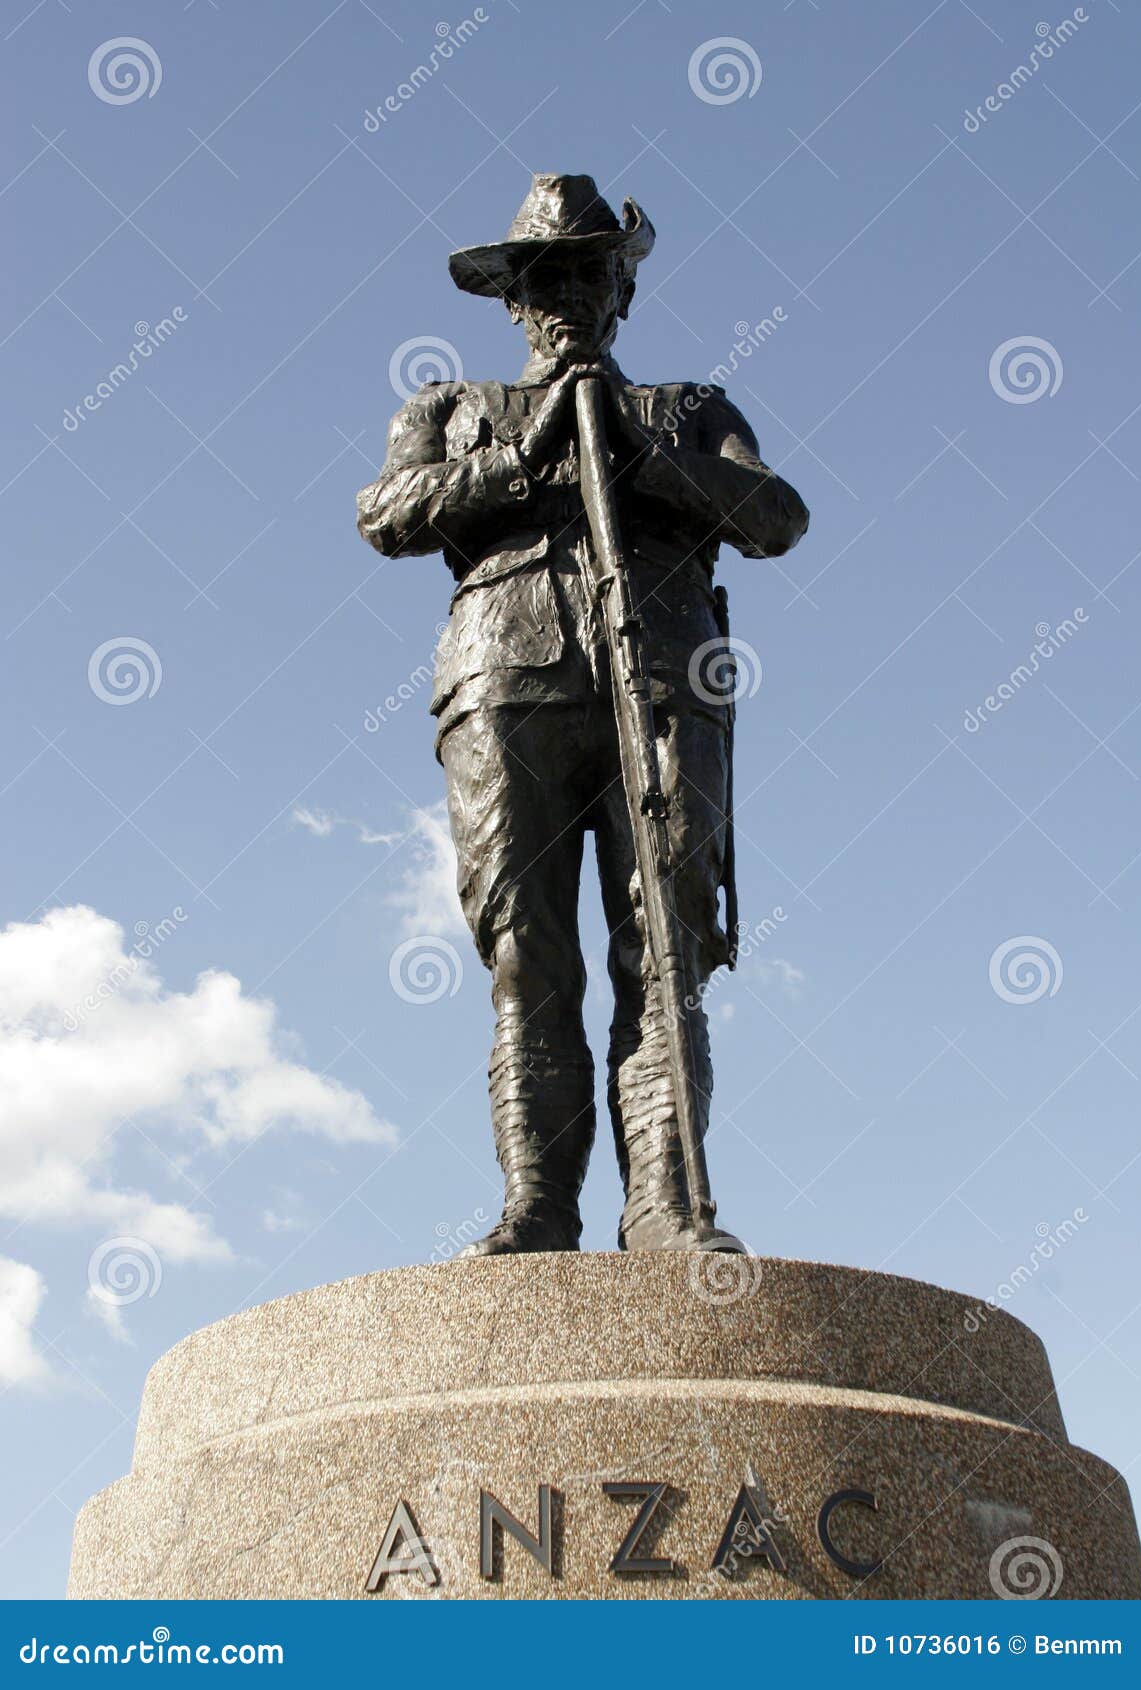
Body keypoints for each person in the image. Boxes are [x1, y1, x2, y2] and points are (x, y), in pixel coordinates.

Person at [357, 174, 808, 1254]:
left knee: (664, 945)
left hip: (660, 684)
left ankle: (662, 1205)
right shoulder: (449, 408)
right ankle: (536, 1206)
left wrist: (644, 461)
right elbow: (385, 514)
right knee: (528, 952)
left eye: (588, 271)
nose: (566, 293)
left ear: (622, 293)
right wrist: (522, 458)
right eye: (544, 274)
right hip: (503, 685)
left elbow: (776, 515)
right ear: (513, 300)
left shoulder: (689, 410)